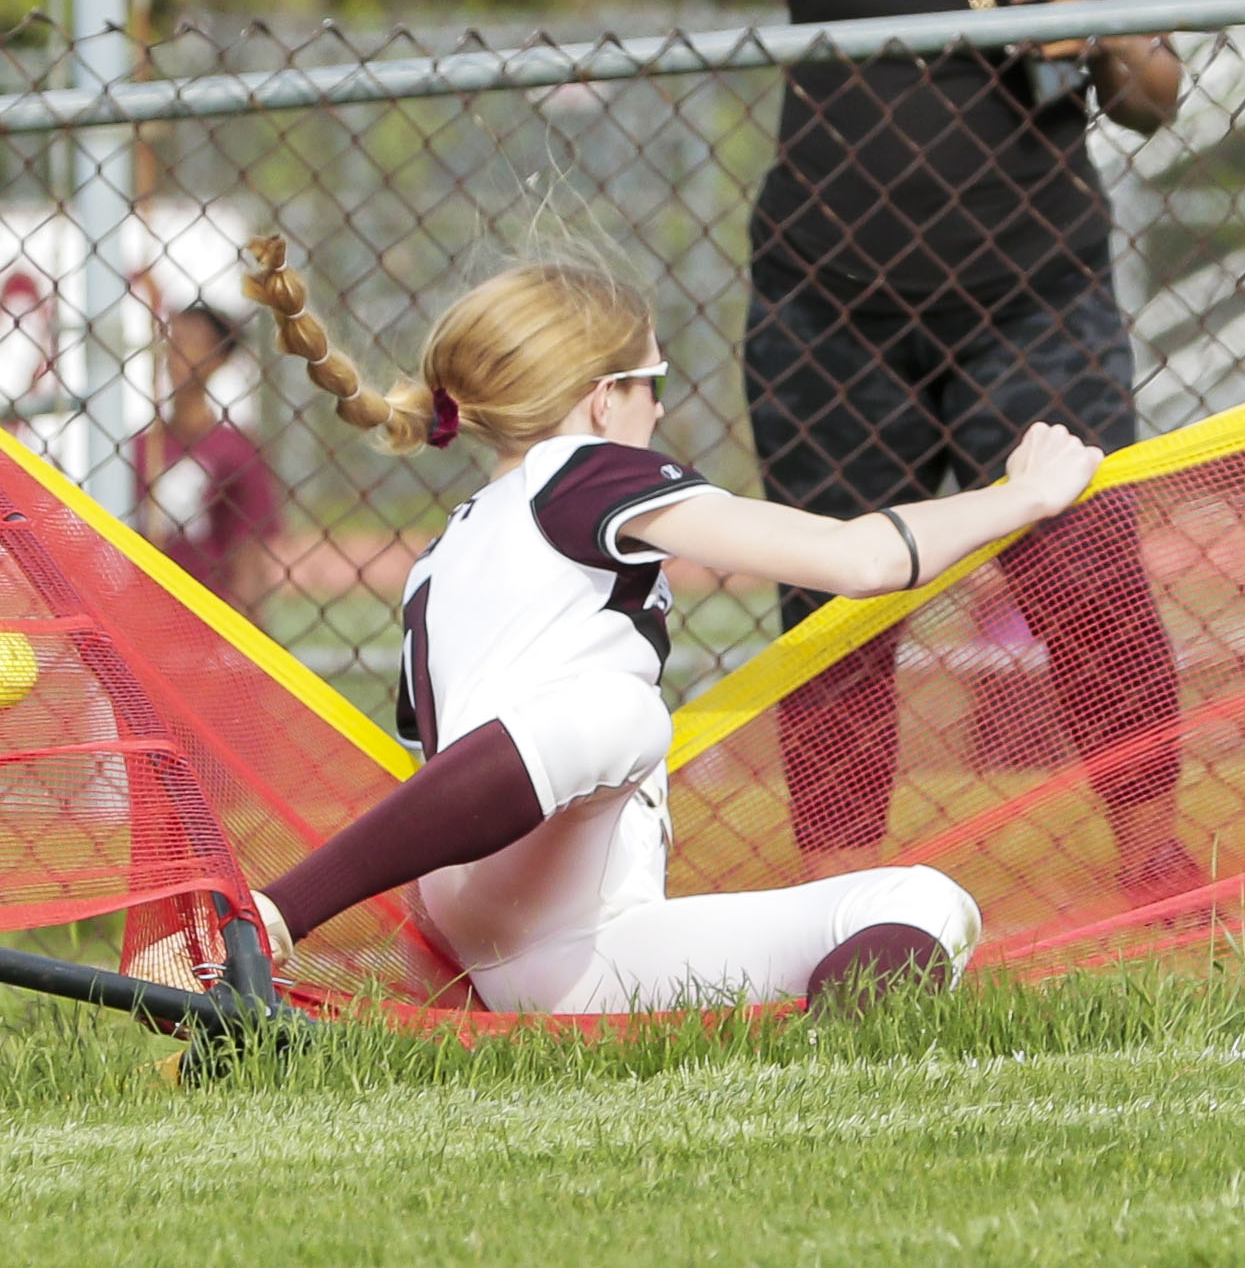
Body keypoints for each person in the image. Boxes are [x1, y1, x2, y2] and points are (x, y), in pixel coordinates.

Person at [647, 0, 1197, 906]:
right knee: (839, 609)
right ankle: (845, 896)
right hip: (830, 317)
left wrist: (1104, 37)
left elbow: (1161, 91)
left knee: (1088, 580)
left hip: (1033, 308)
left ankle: (1151, 861)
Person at [212, 235, 1104, 1014]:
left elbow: (441, 777)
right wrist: (1020, 494)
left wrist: (432, 981)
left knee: (922, 901)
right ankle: (275, 911)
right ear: (603, 400)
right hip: (564, 926)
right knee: (627, 712)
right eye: (653, 381)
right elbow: (861, 561)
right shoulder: (586, 469)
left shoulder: (441, 555)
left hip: (503, 956)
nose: (662, 408)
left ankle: (835, 1068)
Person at [132, 304, 282, 616]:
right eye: (172, 341)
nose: (176, 353)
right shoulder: (142, 448)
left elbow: (248, 558)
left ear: (217, 359)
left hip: (210, 619)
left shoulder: (236, 451)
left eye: (190, 342)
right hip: (146, 617)